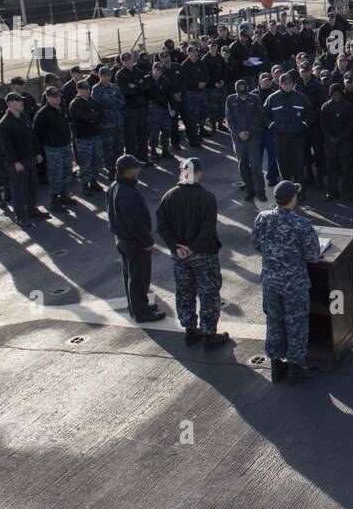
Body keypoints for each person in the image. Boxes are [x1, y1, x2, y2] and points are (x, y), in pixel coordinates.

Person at [251, 180, 321, 383]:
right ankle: (296, 367)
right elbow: (313, 255)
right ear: (293, 199)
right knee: (296, 323)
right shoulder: (302, 224)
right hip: (294, 284)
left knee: (274, 322)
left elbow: (256, 244)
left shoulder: (262, 218)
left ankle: (275, 365)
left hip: (270, 282)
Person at [156, 157, 228, 347]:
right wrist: (193, 248)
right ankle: (209, 332)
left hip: (179, 256)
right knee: (209, 293)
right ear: (199, 173)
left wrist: (176, 247)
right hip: (204, 254)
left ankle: (190, 328)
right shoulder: (207, 198)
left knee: (185, 291)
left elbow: (162, 226)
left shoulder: (169, 196)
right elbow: (208, 228)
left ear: (181, 172)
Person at [106, 155, 166, 322]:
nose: (139, 170)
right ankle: (142, 312)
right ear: (130, 171)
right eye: (136, 168)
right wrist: (147, 241)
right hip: (134, 242)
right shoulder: (128, 193)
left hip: (122, 239)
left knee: (130, 276)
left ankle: (137, 306)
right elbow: (134, 222)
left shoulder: (114, 186)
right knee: (139, 278)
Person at [0, 91, 45, 228]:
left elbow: (32, 136)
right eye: (18, 101)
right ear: (10, 104)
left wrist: (37, 152)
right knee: (19, 189)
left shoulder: (24, 117)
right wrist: (15, 162)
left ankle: (31, 210)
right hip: (19, 162)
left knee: (32, 186)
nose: (21, 102)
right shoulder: (5, 124)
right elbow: (7, 146)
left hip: (30, 157)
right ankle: (20, 216)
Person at [32, 86, 76, 211]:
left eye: (58, 96)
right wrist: (39, 151)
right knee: (56, 174)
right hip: (53, 148)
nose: (57, 99)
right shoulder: (42, 113)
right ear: (47, 98)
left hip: (65, 145)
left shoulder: (60, 109)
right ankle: (54, 201)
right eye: (54, 97)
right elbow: (36, 134)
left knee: (67, 171)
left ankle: (63, 195)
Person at [225, 79, 267, 202]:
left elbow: (258, 117)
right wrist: (239, 133)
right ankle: (250, 189)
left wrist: (249, 132)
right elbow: (229, 119)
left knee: (255, 165)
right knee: (242, 166)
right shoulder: (230, 100)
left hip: (253, 136)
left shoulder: (255, 99)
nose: (243, 96)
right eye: (240, 93)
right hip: (238, 138)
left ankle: (260, 191)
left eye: (245, 93)